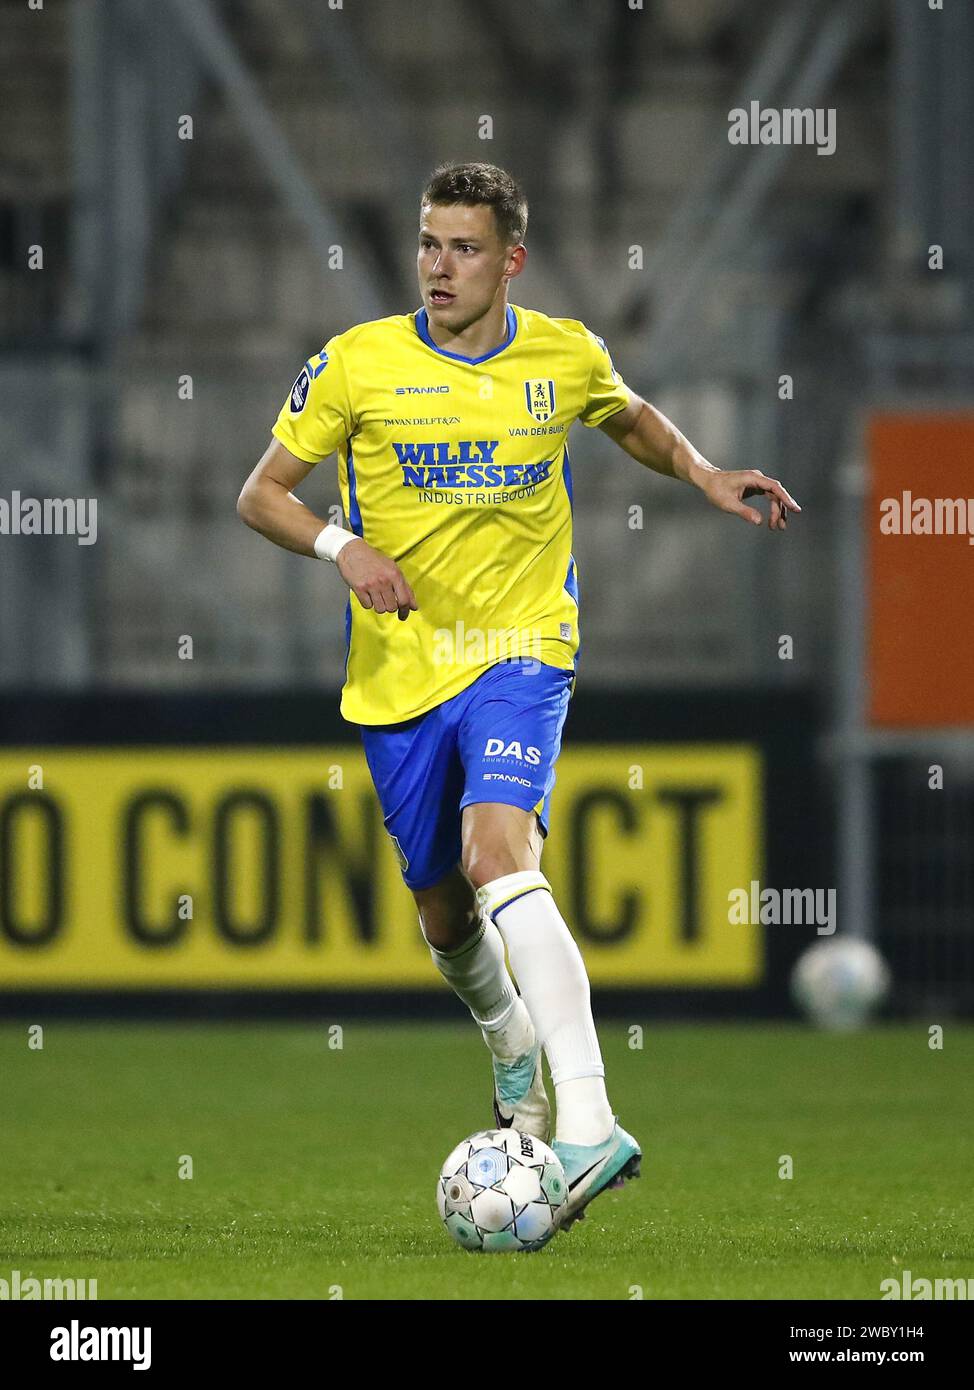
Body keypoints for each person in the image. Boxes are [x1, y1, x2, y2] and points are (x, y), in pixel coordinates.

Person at [237, 161, 800, 1229]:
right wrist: (341, 545)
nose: (438, 267)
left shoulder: (563, 351)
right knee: (444, 908)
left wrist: (705, 472)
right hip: (401, 669)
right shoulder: (357, 363)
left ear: (510, 261)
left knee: (499, 853)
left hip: (521, 650)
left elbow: (625, 415)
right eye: (428, 243)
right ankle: (506, 1038)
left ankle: (586, 1120)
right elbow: (259, 492)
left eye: (462, 248)